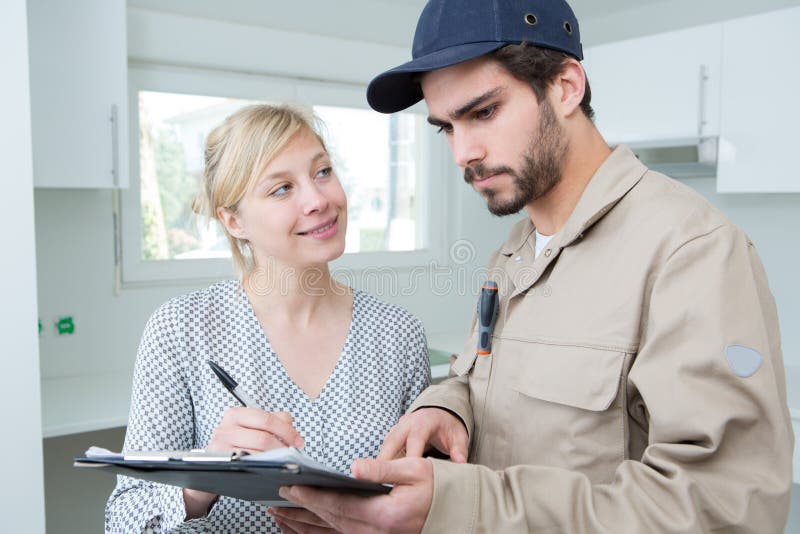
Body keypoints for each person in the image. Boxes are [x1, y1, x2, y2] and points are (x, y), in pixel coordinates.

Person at [272, 1, 794, 532]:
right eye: (445, 127)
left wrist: (460, 507)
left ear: (566, 86)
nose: (463, 152)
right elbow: (481, 379)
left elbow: (724, 510)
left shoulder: (691, 252)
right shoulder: (517, 251)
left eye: (484, 112)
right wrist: (447, 407)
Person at [104, 104, 431, 533]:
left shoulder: (398, 335)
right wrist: (203, 478)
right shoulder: (180, 330)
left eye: (322, 171)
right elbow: (122, 521)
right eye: (281, 189)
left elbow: (429, 504)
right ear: (234, 220)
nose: (319, 200)